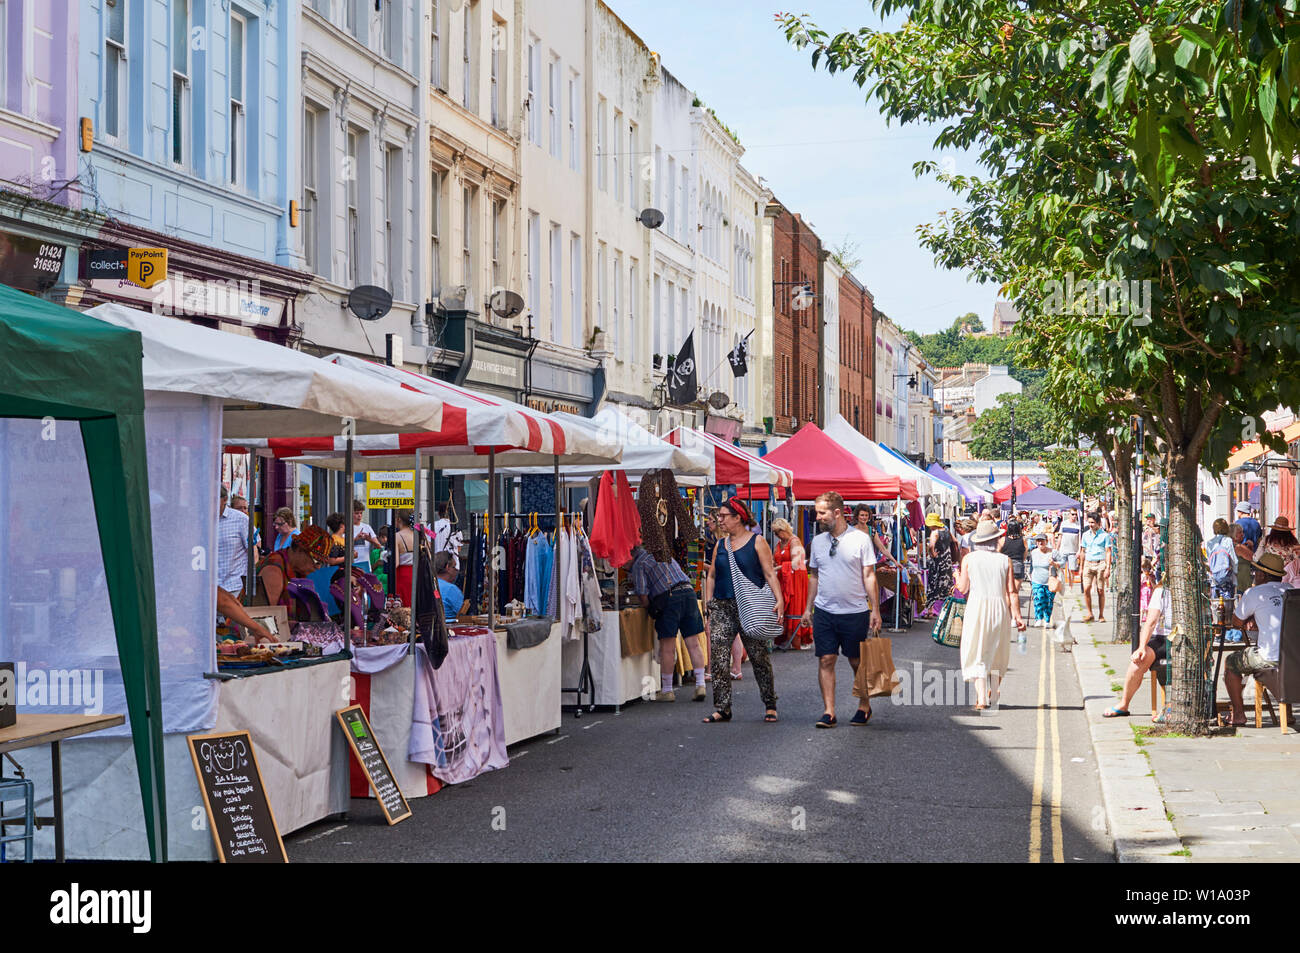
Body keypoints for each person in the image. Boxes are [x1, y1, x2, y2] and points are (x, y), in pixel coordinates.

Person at [799, 491, 883, 728]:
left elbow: (869, 575)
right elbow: (814, 576)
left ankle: (864, 705)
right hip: (825, 611)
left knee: (856, 661)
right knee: (826, 659)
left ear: (837, 512)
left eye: (822, 513)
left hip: (854, 611)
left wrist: (874, 609)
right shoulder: (817, 542)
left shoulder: (860, 539)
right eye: (817, 513)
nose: (818, 518)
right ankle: (829, 711)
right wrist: (808, 608)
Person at [701, 497, 782, 724]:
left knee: (758, 657)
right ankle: (723, 707)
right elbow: (712, 575)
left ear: (738, 518)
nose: (720, 520)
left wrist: (780, 600)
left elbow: (769, 573)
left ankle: (770, 703)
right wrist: (709, 604)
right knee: (718, 657)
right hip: (722, 606)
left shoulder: (757, 542)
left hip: (750, 606)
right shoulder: (720, 544)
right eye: (719, 516)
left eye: (724, 516)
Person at [954, 519, 1025, 709]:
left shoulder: (969, 559)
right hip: (999, 608)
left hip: (976, 607)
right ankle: (993, 689)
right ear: (995, 540)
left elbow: (962, 588)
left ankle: (982, 698)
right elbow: (1012, 591)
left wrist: (955, 576)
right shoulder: (1005, 560)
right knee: (997, 651)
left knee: (977, 651)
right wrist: (1017, 616)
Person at [1222, 553, 1294, 727]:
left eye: (1256, 572)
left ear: (1263, 575)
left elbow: (1236, 622)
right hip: (1293, 657)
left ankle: (1238, 714)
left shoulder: (1255, 592)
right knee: (1285, 654)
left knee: (1231, 663)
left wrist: (1252, 618)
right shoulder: (1292, 590)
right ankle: (1288, 714)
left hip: (1268, 658)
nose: (1255, 575)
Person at [629, 544, 708, 701]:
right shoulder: (660, 552)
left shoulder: (639, 564)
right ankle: (700, 685)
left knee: (668, 647)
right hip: (688, 592)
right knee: (693, 643)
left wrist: (649, 607)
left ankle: (667, 690)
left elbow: (643, 594)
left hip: (669, 597)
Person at [1104, 570, 1171, 719]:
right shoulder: (1162, 591)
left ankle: (1169, 707)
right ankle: (1124, 703)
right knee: (1138, 661)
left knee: (1143, 660)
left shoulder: (1172, 591)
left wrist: (1142, 647)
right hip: (1163, 638)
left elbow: (1151, 621)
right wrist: (1142, 647)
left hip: (1176, 639)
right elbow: (1151, 622)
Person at [252, 525, 331, 620]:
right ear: (299, 550)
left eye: (321, 563)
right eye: (315, 561)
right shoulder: (273, 570)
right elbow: (263, 618)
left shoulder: (297, 570)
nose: (317, 567)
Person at [771, 518, 810, 650]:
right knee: (784, 606)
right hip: (783, 578)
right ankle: (784, 637)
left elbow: (795, 563)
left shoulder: (795, 541)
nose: (777, 535)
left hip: (796, 579)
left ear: (784, 530)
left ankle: (797, 638)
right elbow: (774, 559)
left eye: (778, 532)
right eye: (775, 533)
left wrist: (776, 568)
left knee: (795, 606)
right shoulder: (779, 543)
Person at [1079, 512, 1115, 622]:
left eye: (1092, 522)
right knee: (1086, 589)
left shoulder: (1104, 535)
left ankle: (1101, 614)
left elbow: (1108, 551)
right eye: (1089, 522)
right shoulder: (1085, 535)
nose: (1090, 525)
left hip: (1100, 563)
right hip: (1088, 563)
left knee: (1100, 590)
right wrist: (1081, 567)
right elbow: (1082, 551)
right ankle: (1090, 613)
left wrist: (1108, 567)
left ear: (1098, 523)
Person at [217, 485, 250, 598]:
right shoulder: (202, 518)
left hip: (234, 586)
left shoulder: (241, 519)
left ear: (225, 499)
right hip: (211, 587)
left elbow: (253, 550)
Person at [1027, 534, 1064, 627]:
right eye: (1038, 541)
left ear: (1046, 541)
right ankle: (1038, 619)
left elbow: (1062, 562)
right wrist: (1030, 575)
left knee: (1048, 601)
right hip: (1036, 580)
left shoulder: (1053, 552)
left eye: (1042, 540)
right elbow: (1032, 565)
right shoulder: (1033, 552)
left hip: (1050, 581)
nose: (1040, 542)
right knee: (1038, 599)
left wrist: (1054, 563)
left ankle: (1047, 620)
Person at [926, 512, 956, 609]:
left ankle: (930, 610)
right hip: (947, 560)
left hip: (937, 561)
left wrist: (932, 553)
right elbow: (955, 541)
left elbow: (931, 546)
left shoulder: (934, 533)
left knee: (933, 584)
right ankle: (948, 607)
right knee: (947, 584)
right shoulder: (946, 530)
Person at [1206, 517, 1237, 598]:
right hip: (1226, 578)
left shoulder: (1209, 543)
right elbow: (1234, 560)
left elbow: (1209, 560)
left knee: (1216, 604)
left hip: (1214, 579)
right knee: (1227, 604)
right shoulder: (1228, 540)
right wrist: (1236, 573)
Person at [393, 510, 417, 606]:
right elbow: (433, 535)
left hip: (402, 574)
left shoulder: (397, 536)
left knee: (403, 605)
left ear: (399, 519)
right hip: (416, 572)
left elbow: (396, 563)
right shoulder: (418, 534)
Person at [230, 492, 260, 563]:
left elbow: (258, 544)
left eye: (245, 508)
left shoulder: (248, 523)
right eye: (239, 508)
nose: (243, 511)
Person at [434, 551, 465, 620]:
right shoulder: (451, 589)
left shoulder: (427, 584)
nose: (457, 571)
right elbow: (464, 614)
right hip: (448, 627)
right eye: (454, 567)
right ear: (447, 567)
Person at [998, 517, 1027, 590]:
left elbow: (998, 552)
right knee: (1015, 592)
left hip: (1005, 564)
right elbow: (1025, 554)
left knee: (1006, 591)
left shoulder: (1003, 540)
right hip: (1018, 564)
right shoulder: (1023, 540)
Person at [351, 499, 380, 569]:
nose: (359, 516)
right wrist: (355, 539)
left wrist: (369, 540)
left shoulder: (367, 527)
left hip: (365, 566)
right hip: (352, 566)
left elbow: (379, 546)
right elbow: (342, 545)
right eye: (357, 513)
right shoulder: (346, 528)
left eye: (361, 513)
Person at [1056, 510, 1081, 589]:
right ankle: (1062, 584)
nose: (1074, 516)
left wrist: (1079, 550)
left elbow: (1080, 539)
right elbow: (1060, 537)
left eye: (1076, 515)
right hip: (1063, 549)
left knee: (1072, 569)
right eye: (1073, 514)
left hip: (1073, 550)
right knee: (1061, 567)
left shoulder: (1078, 525)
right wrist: (1057, 549)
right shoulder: (1064, 524)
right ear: (1069, 514)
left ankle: (1071, 586)